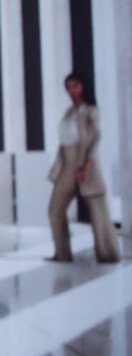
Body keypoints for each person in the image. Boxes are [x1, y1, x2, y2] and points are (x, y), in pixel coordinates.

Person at [46, 72, 119, 263]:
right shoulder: (69, 112)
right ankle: (62, 253)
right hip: (67, 165)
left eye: (75, 85)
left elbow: (95, 139)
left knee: (98, 212)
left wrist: (85, 165)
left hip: (86, 164)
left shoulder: (91, 111)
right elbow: (64, 142)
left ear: (83, 86)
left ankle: (107, 254)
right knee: (55, 209)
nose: (71, 90)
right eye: (68, 86)